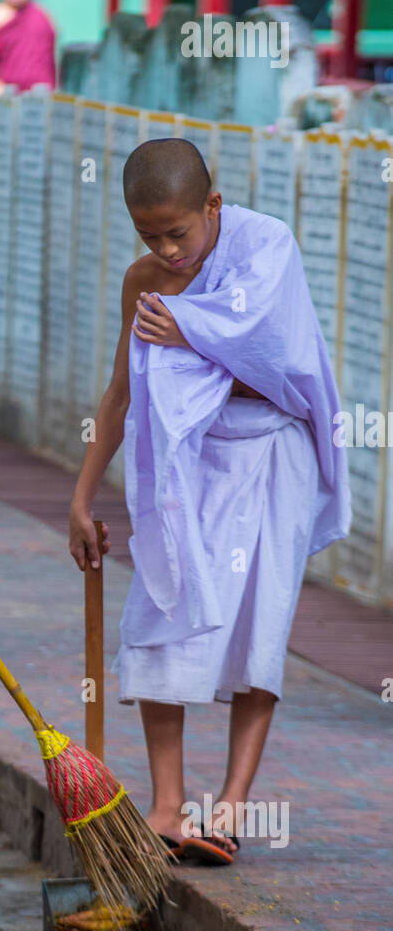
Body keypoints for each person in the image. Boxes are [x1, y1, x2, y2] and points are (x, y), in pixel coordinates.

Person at [68, 139, 350, 865]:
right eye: (149, 235)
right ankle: (168, 805)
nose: (168, 249)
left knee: (260, 619)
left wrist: (192, 326)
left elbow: (271, 356)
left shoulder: (268, 250)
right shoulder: (144, 284)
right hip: (190, 465)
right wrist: (80, 495)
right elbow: (121, 391)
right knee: (164, 615)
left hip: (271, 453)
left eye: (179, 232)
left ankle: (227, 809)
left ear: (213, 207)